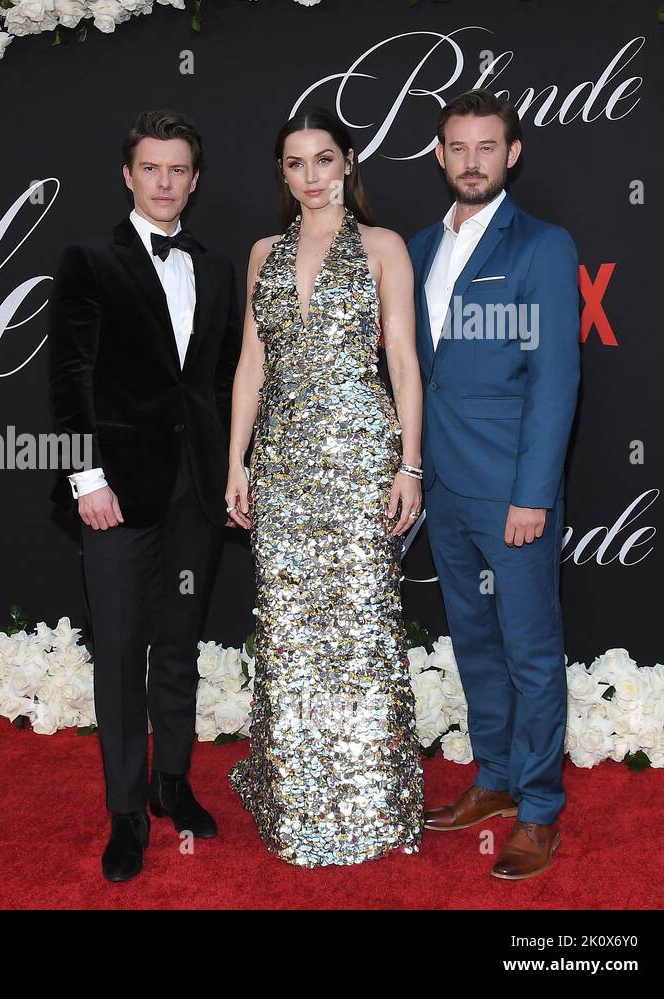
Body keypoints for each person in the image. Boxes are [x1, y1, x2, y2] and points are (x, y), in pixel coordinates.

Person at [224, 107, 426, 867]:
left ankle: (372, 802)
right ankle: (297, 799)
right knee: (291, 634)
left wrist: (410, 463)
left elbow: (403, 361)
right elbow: (252, 364)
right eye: (295, 164)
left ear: (348, 162)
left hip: (359, 463)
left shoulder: (384, 248)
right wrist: (235, 461)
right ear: (282, 174)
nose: (312, 176)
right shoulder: (261, 254)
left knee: (361, 631)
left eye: (324, 159)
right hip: (280, 463)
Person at [48, 109, 242, 882]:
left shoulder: (219, 268)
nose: (164, 182)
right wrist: (86, 478)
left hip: (196, 488)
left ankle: (171, 783)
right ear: (128, 175)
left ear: (195, 180)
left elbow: (226, 383)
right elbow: (67, 378)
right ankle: (125, 812)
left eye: (178, 170)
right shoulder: (88, 260)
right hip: (116, 494)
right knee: (121, 653)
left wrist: (233, 471)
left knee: (178, 647)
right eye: (150, 168)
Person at [411, 89, 579, 880]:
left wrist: (534, 495)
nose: (470, 161)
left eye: (487, 147)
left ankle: (540, 807)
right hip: (440, 484)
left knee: (532, 651)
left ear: (511, 155)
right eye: (457, 147)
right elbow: (418, 375)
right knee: (475, 641)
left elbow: (554, 381)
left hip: (510, 487)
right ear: (440, 155)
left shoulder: (541, 246)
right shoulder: (415, 249)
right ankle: (497, 779)